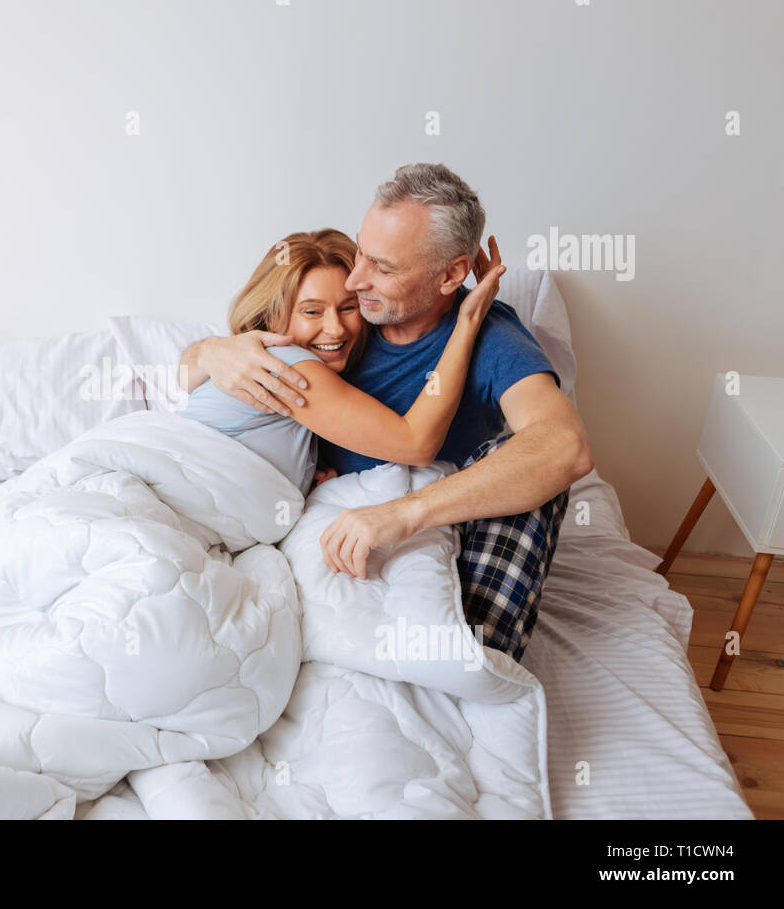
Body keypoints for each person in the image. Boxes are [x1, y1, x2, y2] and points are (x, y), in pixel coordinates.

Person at [178, 163, 594, 661]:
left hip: (425, 537)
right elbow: (206, 377)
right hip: (310, 531)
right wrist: (207, 351)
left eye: (383, 268)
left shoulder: (490, 335)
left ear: (453, 274)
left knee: (528, 466)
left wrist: (404, 515)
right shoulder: (342, 318)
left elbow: (565, 447)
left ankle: (474, 659)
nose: (356, 281)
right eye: (360, 252)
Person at [177, 228, 504, 494]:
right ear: (270, 314)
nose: (335, 328)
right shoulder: (285, 363)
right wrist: (468, 321)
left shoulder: (254, 358)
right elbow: (416, 444)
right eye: (311, 311)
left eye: (348, 307)